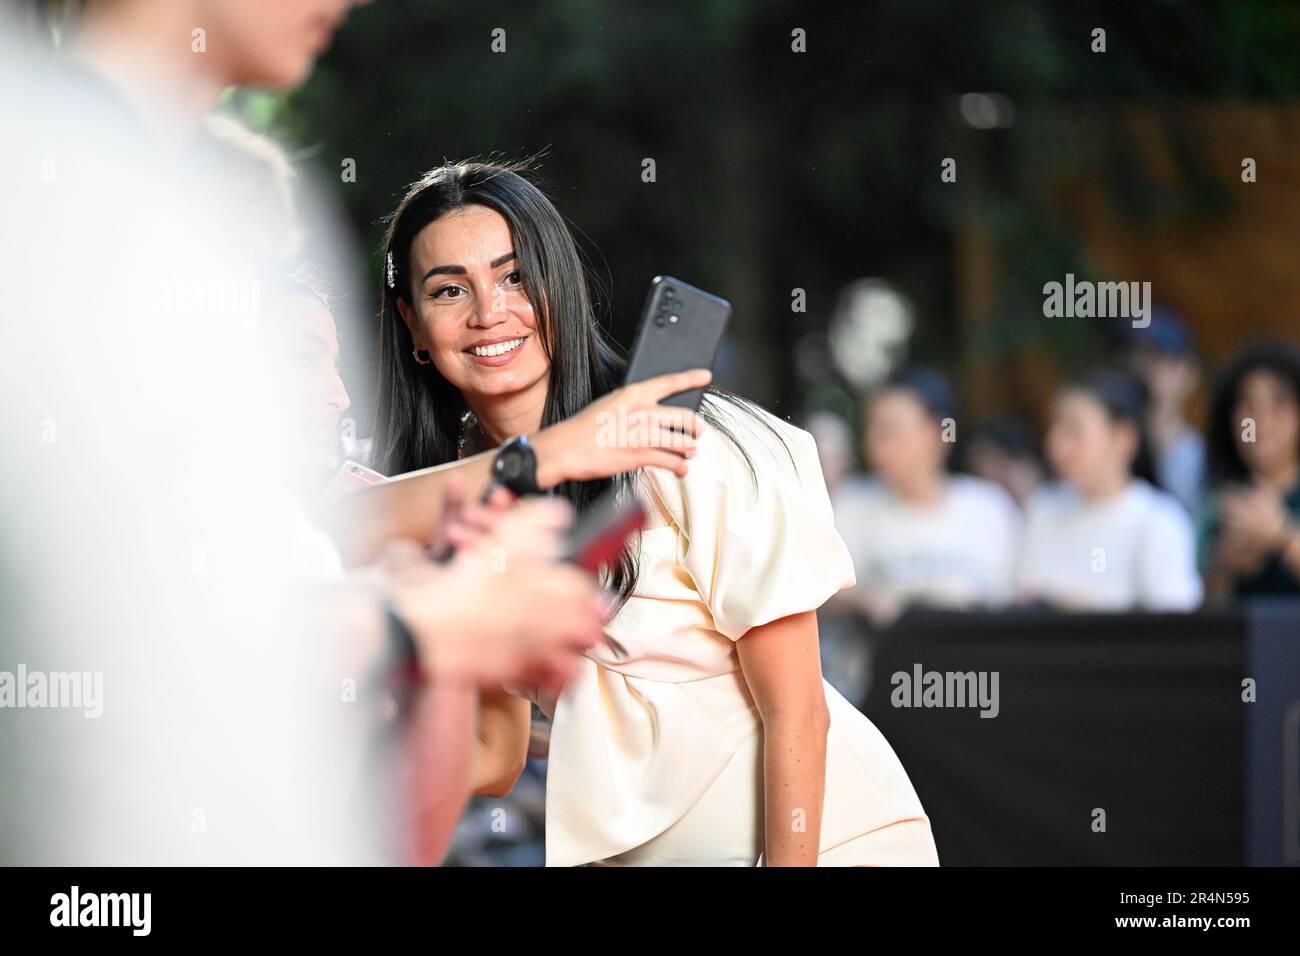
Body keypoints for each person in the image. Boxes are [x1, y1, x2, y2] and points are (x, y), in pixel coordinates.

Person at [372, 160, 939, 866]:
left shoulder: (691, 442)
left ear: (561, 288)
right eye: (449, 289)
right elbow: (496, 759)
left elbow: (797, 708)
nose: (489, 311)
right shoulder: (462, 499)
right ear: (414, 325)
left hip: (831, 846)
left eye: (515, 276)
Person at [832, 368, 1021, 628]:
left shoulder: (990, 508)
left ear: (940, 433)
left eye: (890, 431)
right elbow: (815, 597)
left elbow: (1015, 601)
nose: (874, 445)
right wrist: (862, 603)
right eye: (871, 430)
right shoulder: (850, 506)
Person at [1017, 370, 1202, 611]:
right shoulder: (1042, 510)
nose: (1056, 445)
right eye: (1055, 428)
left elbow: (1174, 625)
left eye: (1074, 431)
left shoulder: (1159, 521)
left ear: (1122, 438)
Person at [1200, 341, 1300, 603]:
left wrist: (1282, 538)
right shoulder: (1218, 506)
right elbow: (1200, 618)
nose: (1261, 421)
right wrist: (1225, 566)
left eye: (1279, 404)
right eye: (1248, 405)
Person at [1123, 308, 1206, 513]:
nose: (1149, 372)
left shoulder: (1204, 461)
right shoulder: (1109, 449)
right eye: (1140, 359)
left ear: (1190, 374)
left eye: (1163, 361)